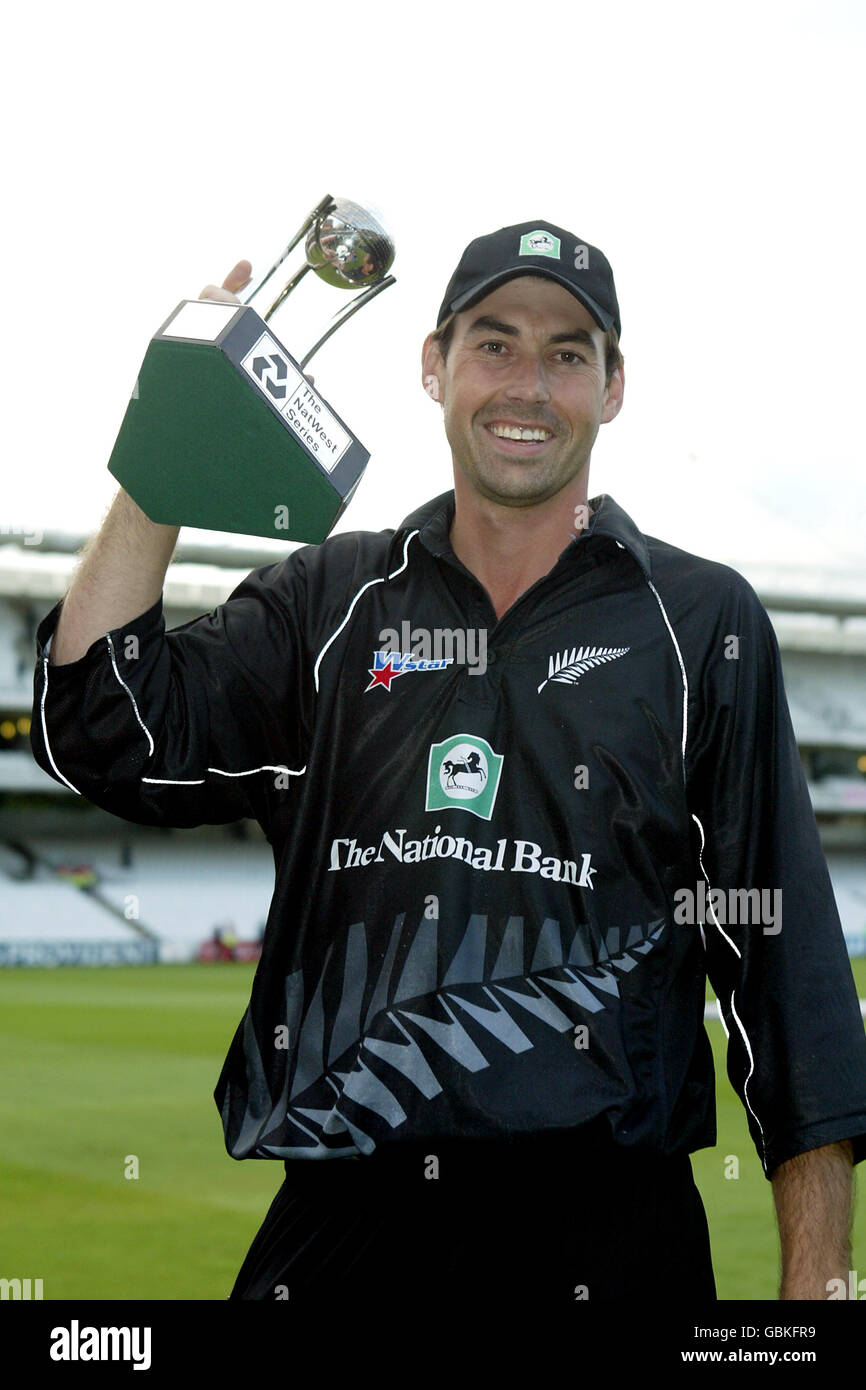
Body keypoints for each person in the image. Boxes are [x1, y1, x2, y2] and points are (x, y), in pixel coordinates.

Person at [30, 220, 866, 1310]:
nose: (528, 383)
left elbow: (783, 967)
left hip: (610, 1240)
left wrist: (820, 1278)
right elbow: (101, 721)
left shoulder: (697, 620)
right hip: (343, 1231)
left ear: (613, 387)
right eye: (493, 344)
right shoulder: (330, 604)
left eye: (568, 352)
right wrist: (168, 447)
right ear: (432, 365)